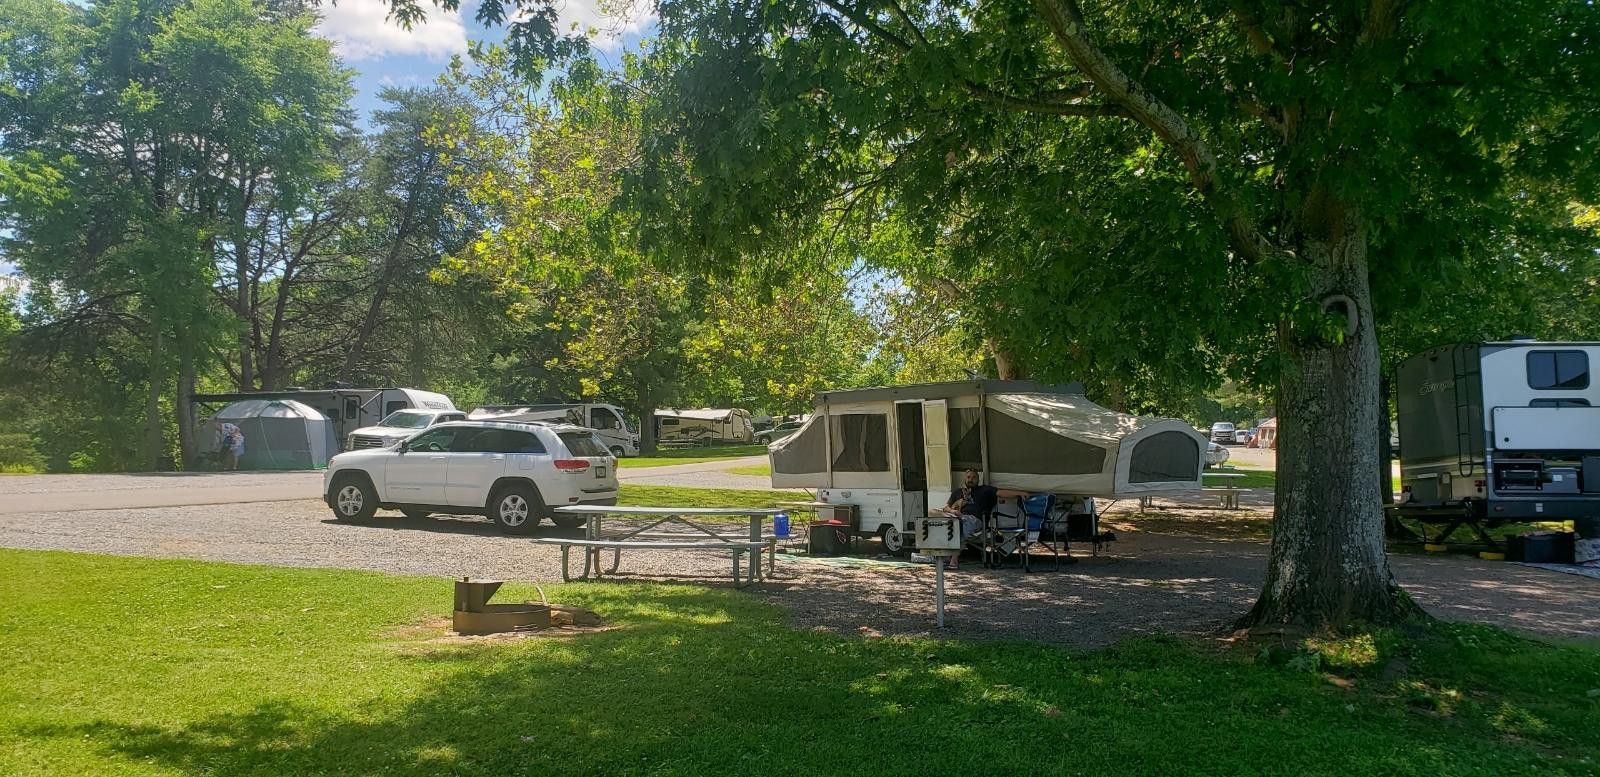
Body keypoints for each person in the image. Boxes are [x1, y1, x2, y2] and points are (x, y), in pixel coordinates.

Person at [936, 469, 1008, 569]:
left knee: (959, 526)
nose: (971, 479)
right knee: (933, 514)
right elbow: (946, 507)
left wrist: (1022, 493)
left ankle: (953, 560)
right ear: (965, 478)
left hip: (975, 519)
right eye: (968, 477)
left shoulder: (984, 490)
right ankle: (942, 555)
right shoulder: (957, 492)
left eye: (974, 477)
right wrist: (954, 511)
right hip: (956, 516)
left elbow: (1002, 493)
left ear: (978, 480)